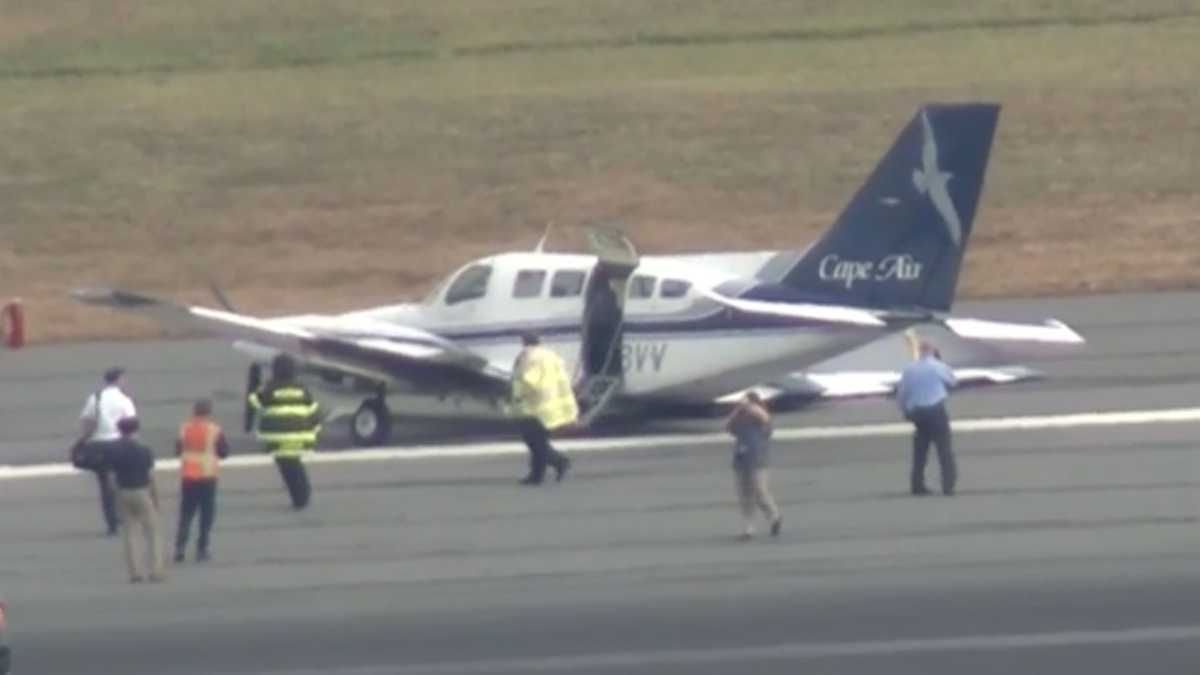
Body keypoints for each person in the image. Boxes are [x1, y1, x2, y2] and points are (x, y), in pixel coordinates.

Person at [248, 354, 322, 509]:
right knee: (293, 463)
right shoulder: (301, 389)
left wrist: (255, 383)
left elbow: (254, 401)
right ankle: (301, 495)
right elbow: (313, 410)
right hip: (302, 435)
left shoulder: (270, 388)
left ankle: (301, 497)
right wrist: (315, 430)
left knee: (288, 466)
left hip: (278, 437)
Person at [103, 417, 165, 583]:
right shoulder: (144, 451)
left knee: (130, 534)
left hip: (123, 491)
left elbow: (111, 477)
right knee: (152, 533)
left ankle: (135, 572)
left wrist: (115, 495)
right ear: (136, 430)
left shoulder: (113, 451)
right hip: (142, 491)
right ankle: (156, 570)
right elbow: (151, 477)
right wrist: (156, 498)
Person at [510, 332, 577, 485]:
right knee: (540, 440)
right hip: (551, 407)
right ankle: (536, 475)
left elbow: (527, 380)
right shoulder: (551, 356)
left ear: (524, 342)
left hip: (533, 407)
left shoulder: (528, 357)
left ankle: (560, 461)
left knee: (534, 442)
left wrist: (516, 395)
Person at [76, 366, 137, 536]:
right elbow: (131, 425)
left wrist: (84, 439)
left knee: (105, 485)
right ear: (119, 380)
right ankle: (123, 515)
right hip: (119, 444)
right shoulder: (125, 400)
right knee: (123, 481)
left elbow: (87, 421)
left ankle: (111, 523)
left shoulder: (95, 398)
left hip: (98, 446)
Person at [896, 340, 959, 496]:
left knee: (920, 451)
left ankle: (917, 484)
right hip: (935, 410)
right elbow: (952, 381)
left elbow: (902, 393)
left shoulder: (909, 369)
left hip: (918, 412)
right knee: (944, 449)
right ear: (934, 351)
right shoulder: (938, 366)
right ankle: (948, 485)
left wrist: (905, 410)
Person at [174, 398, 229, 563]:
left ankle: (180, 548)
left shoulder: (184, 428)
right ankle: (202, 549)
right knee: (206, 515)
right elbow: (224, 452)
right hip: (207, 476)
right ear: (209, 413)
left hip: (188, 476)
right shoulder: (214, 430)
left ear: (194, 411)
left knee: (186, 513)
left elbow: (178, 449)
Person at [725, 391, 782, 540]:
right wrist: (738, 411)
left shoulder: (761, 419)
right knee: (744, 494)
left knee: (760, 491)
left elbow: (766, 422)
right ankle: (748, 528)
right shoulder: (740, 418)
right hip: (741, 457)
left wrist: (753, 409)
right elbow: (729, 427)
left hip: (758, 459)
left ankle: (774, 516)